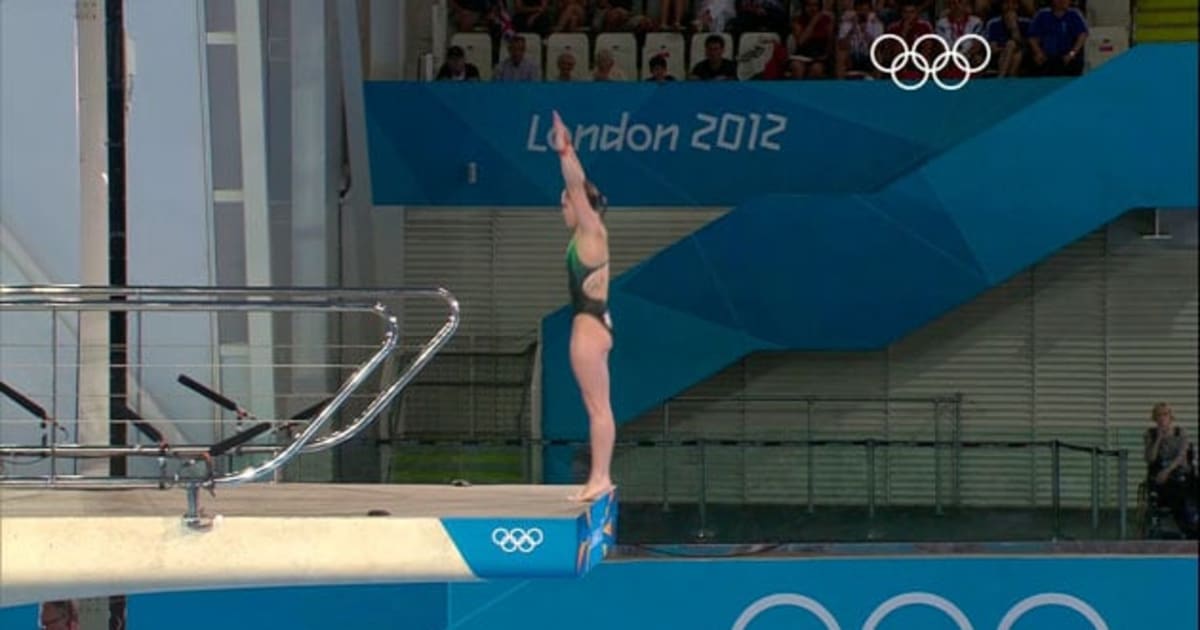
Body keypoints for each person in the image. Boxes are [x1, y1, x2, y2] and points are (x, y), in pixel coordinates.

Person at [551, 111, 615, 503]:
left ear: (580, 205)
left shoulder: (592, 231)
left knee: (598, 409)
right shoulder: (584, 237)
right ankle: (599, 476)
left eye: (565, 204)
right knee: (597, 407)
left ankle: (600, 477)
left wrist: (565, 150)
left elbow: (576, 186)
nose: (563, 208)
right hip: (594, 325)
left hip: (589, 329)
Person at [1144, 402, 1198, 537]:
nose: (1162, 418)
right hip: (1163, 478)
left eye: (1165, 414)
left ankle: (1193, 520)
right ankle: (1188, 528)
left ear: (1171, 417)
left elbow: (1181, 456)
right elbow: (1150, 458)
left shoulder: (1181, 433)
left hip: (1180, 472)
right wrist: (1159, 439)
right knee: (1176, 492)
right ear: (1155, 418)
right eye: (1159, 415)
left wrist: (1167, 470)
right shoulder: (1150, 434)